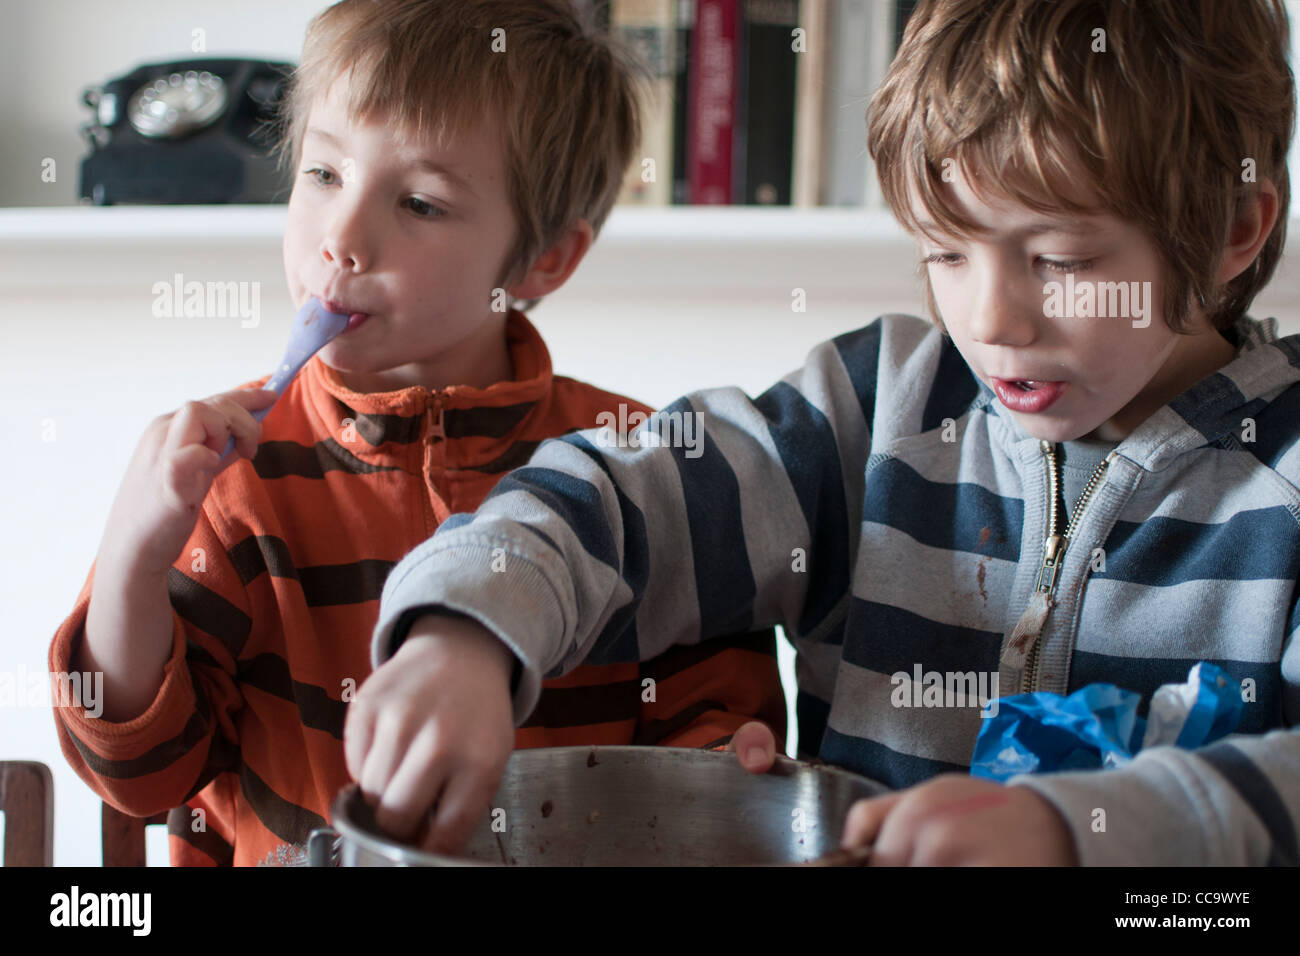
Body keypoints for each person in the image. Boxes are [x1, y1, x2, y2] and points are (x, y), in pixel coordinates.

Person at [353, 0, 1300, 865]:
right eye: (945, 252)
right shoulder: (879, 408)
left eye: (1061, 259)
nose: (994, 319)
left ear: (1232, 229)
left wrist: (1074, 832)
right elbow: (618, 495)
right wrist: (465, 629)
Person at [48, 0, 784, 867]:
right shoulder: (230, 477)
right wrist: (133, 553)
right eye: (323, 173)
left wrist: (732, 764)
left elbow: (713, 743)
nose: (342, 239)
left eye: (421, 204)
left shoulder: (639, 469)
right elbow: (139, 774)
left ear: (545, 257)